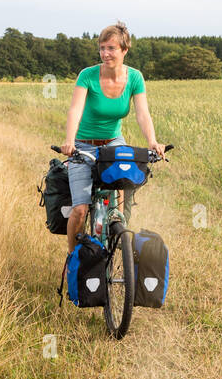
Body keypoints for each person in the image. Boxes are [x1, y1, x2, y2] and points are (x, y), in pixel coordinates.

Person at [61, 22, 164, 252]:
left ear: (124, 50)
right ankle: (73, 260)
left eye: (111, 48)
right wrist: (69, 140)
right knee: (79, 209)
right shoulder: (87, 75)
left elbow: (142, 114)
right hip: (83, 143)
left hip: (114, 143)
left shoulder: (135, 78)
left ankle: (116, 239)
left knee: (118, 205)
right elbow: (75, 110)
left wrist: (152, 142)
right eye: (102, 48)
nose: (105, 53)